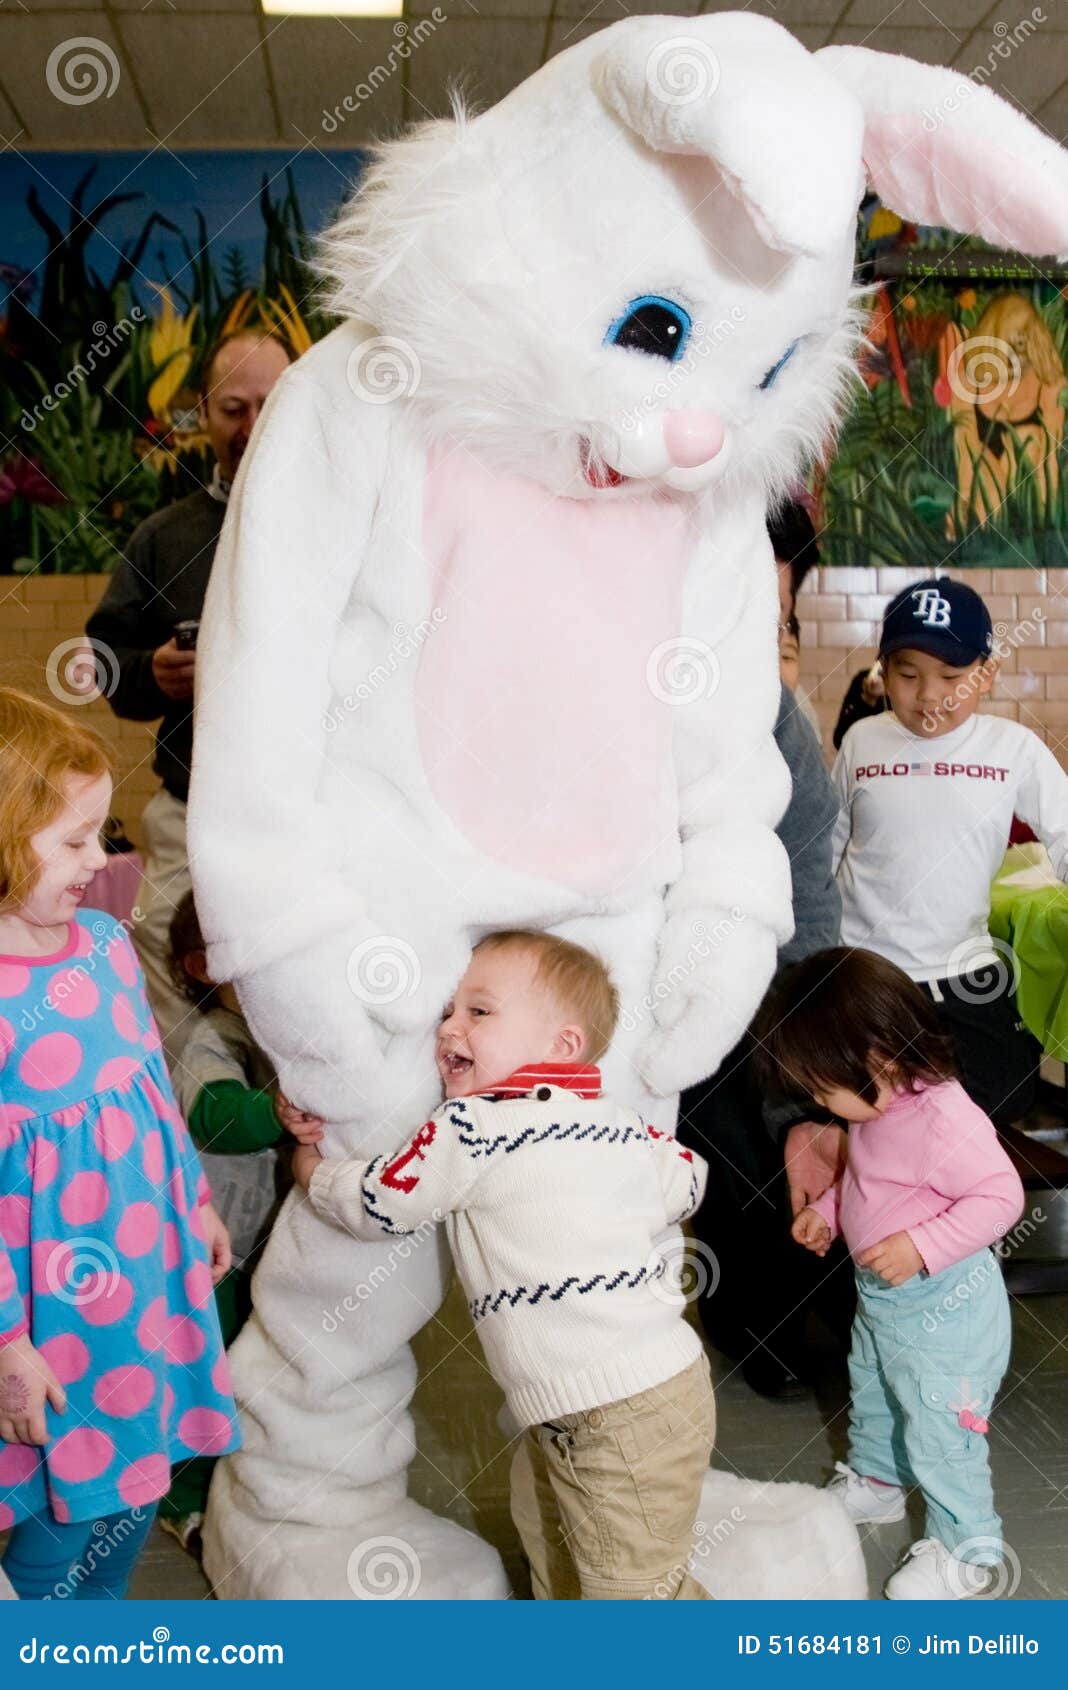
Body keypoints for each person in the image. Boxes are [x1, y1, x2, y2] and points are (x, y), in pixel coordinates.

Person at [287, 929, 715, 1601]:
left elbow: (383, 1201)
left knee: (634, 1593)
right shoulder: (620, 1124)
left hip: (628, 1407)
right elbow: (688, 1177)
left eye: (479, 1012)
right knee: (553, 1538)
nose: (450, 1028)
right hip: (605, 1402)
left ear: (562, 1046)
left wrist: (314, 1170)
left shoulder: (473, 1126)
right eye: (448, 1012)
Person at [0, 687, 238, 1600]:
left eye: (100, 835)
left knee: (132, 1481)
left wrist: (196, 1200)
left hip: (142, 1285)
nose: (100, 862)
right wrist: (9, 1342)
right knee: (58, 1510)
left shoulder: (103, 945)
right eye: (73, 840)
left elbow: (149, 1096)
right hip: (42, 1315)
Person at [756, 947, 1024, 1600]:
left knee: (940, 1431)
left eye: (823, 1088)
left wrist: (922, 1245)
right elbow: (870, 1182)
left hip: (947, 1309)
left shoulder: (942, 1119)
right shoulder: (875, 1109)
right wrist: (828, 1209)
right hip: (884, 1300)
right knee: (874, 1396)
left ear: (876, 1057)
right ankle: (877, 1484)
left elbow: (1002, 1198)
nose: (818, 1102)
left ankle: (968, 1548)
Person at [85, 331, 293, 1069]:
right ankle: (207, 1143)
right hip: (189, 809)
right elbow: (104, 659)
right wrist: (150, 673)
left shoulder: (340, 524)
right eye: (232, 407)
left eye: (269, 404)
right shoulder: (162, 536)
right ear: (202, 414)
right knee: (174, 969)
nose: (249, 425)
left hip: (318, 809)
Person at [832, 574, 1068, 1128]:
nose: (930, 695)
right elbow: (827, 849)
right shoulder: (863, 741)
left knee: (1005, 1092)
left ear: (987, 675)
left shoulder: (1011, 748)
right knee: (855, 1101)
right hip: (868, 969)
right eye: (909, 675)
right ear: (883, 672)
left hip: (964, 969)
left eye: (951, 676)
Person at [677, 669, 846, 1399]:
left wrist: (812, 1059)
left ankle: (792, 1320)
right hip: (632, 985)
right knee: (715, 1161)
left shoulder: (768, 710)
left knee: (780, 1148)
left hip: (756, 977)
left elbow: (807, 873)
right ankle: (746, 1323)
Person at [157, 892, 304, 1555]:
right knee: (202, 1367)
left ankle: (237, 1479)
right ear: (202, 967)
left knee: (249, 1360)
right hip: (208, 1245)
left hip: (256, 1238)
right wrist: (278, 1111)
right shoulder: (205, 1034)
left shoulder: (267, 1029)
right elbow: (216, 1116)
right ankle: (183, 1499)